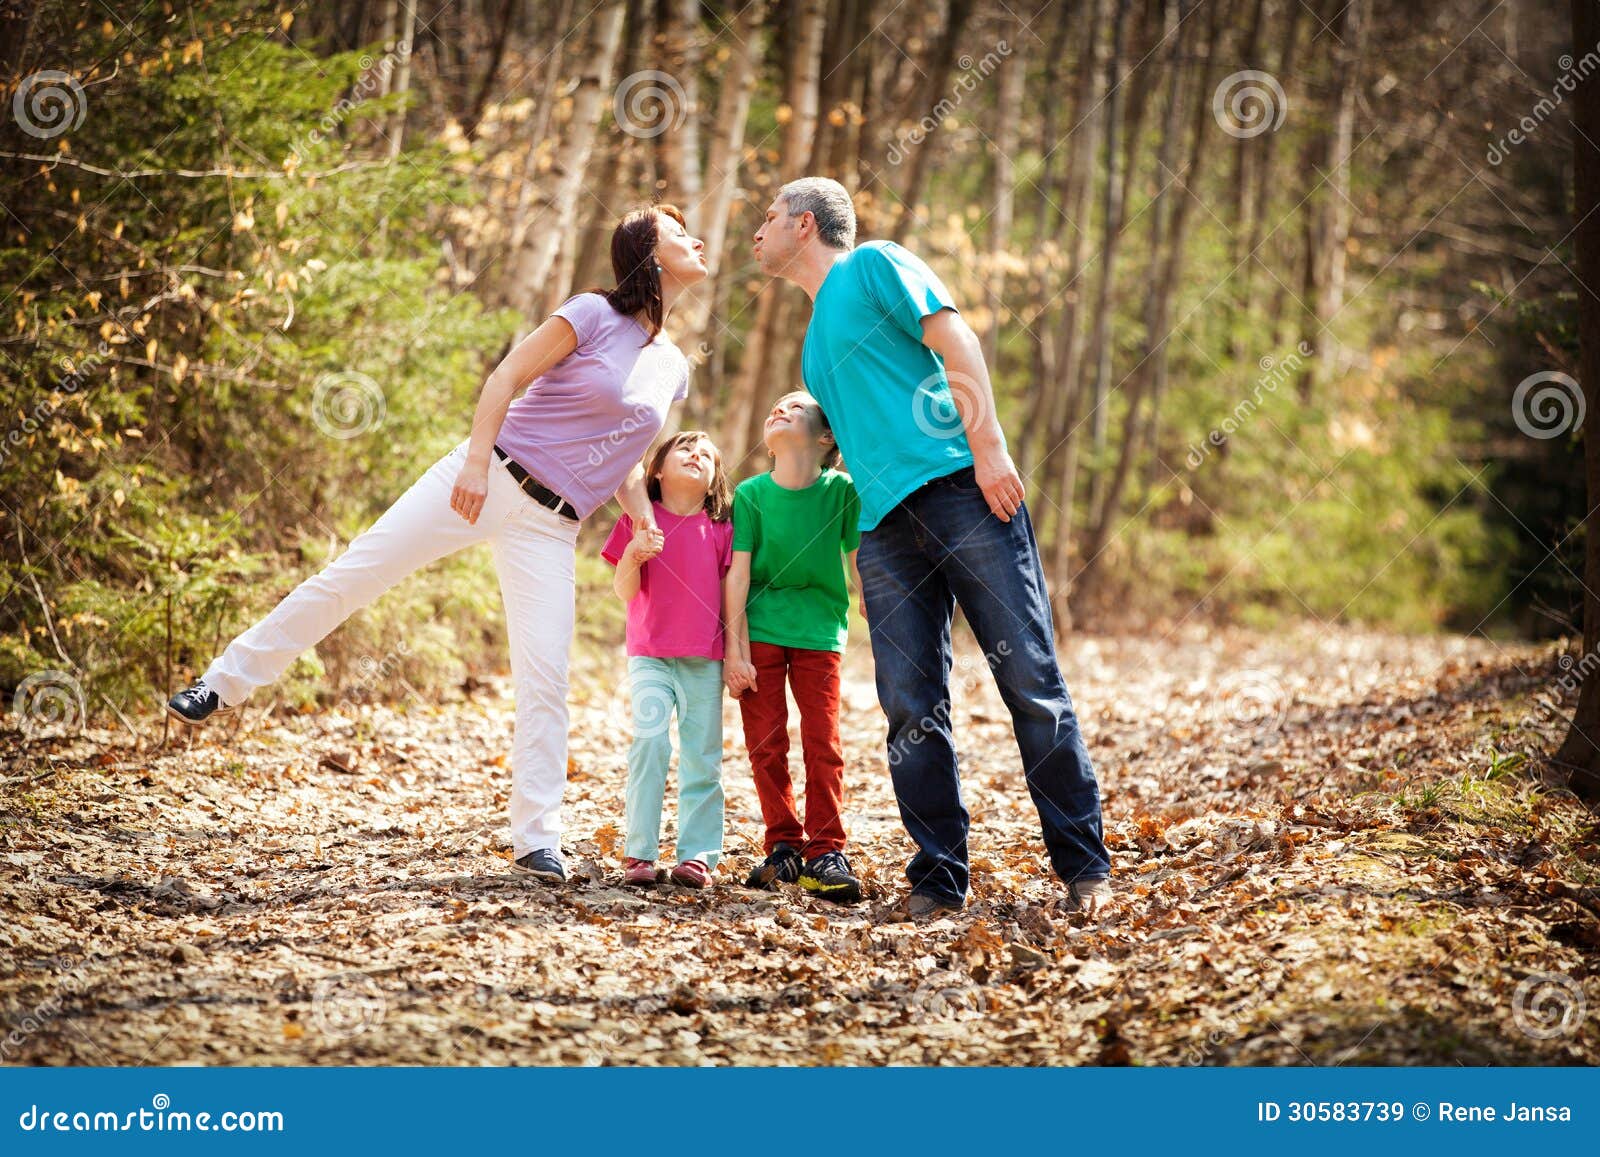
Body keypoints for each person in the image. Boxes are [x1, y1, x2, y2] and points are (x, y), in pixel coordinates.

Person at [166, 206, 709, 885]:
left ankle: (536, 838)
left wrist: (642, 517)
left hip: (552, 525)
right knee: (353, 575)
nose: (697, 240)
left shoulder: (672, 369)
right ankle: (220, 683)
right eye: (679, 232)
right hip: (484, 475)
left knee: (548, 678)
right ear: (649, 256)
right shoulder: (592, 314)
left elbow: (625, 457)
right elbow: (505, 378)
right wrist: (477, 463)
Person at [751, 176, 1112, 919]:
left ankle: (1085, 867)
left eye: (767, 217)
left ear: (806, 223)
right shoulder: (814, 343)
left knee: (1031, 684)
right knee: (911, 706)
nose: (756, 232)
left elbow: (955, 338)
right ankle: (938, 879)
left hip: (964, 494)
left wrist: (990, 449)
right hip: (885, 531)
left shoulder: (874, 263)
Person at [725, 390, 864, 904]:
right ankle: (782, 845)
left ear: (826, 437)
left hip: (819, 632)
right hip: (760, 628)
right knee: (765, 743)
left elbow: (859, 563)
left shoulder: (843, 491)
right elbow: (737, 575)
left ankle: (826, 851)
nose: (778, 409)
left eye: (795, 407)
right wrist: (734, 651)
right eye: (774, 405)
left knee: (822, 740)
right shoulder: (751, 495)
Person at [601, 430, 735, 890]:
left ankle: (697, 855)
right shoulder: (639, 519)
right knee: (650, 745)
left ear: (715, 477)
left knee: (703, 755)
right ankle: (639, 851)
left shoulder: (721, 528)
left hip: (705, 658)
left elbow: (731, 595)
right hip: (650, 656)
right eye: (684, 448)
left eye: (706, 454)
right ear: (657, 469)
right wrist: (633, 557)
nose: (695, 454)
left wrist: (737, 653)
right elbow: (625, 591)